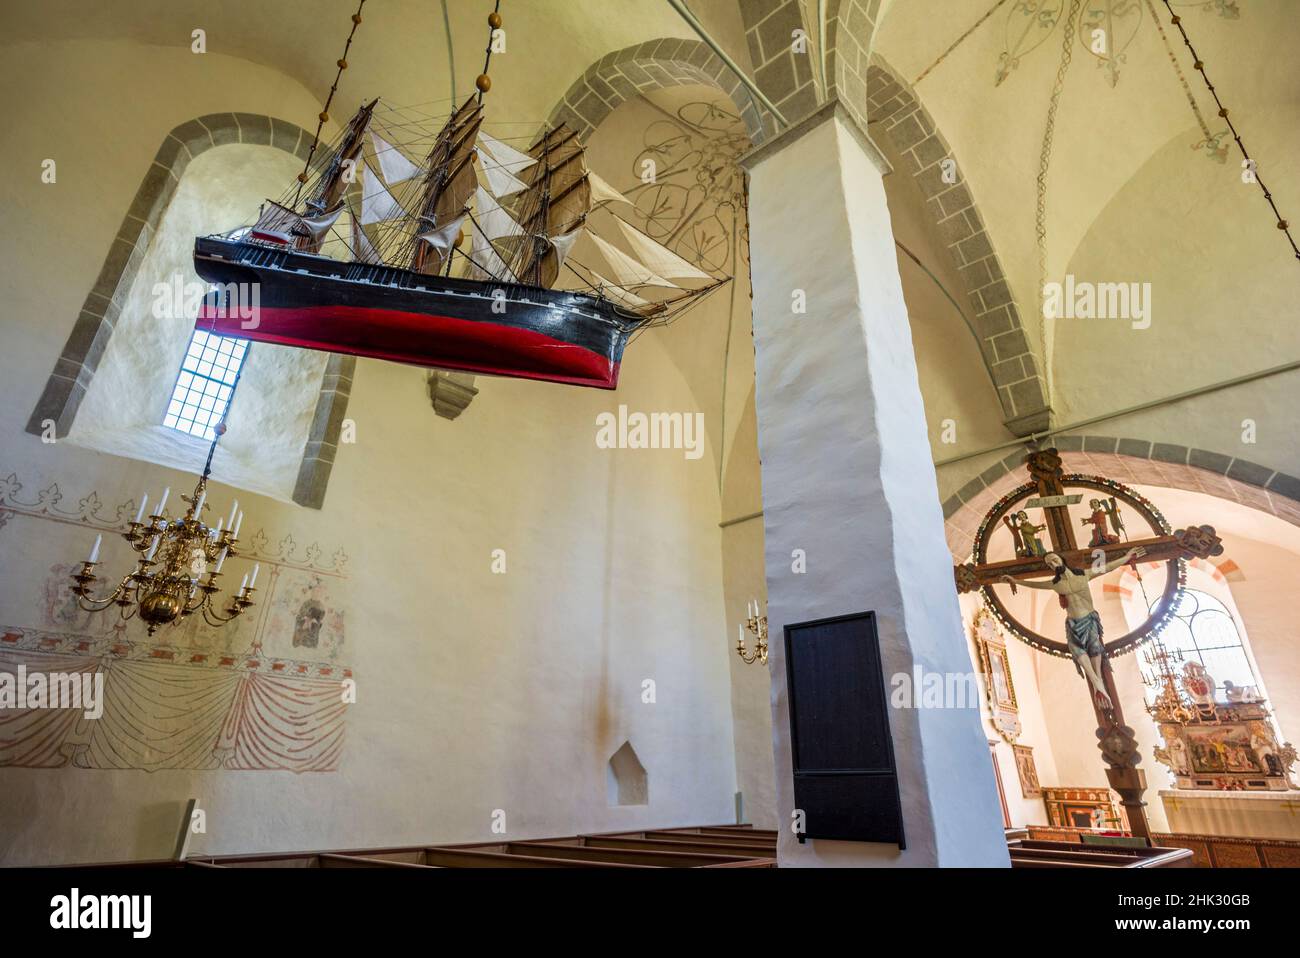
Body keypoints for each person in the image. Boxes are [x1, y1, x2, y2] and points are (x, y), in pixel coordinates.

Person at [1000, 546, 1146, 710]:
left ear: (1062, 560)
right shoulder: (1056, 585)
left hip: (1089, 619)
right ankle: (1097, 683)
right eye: (1050, 564)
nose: (1053, 564)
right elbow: (1034, 585)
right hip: (1073, 623)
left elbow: (1107, 567)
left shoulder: (1083, 575)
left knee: (1095, 647)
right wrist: (1015, 581)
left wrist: (1126, 557)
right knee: (1077, 651)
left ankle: (1098, 681)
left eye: (1055, 560)